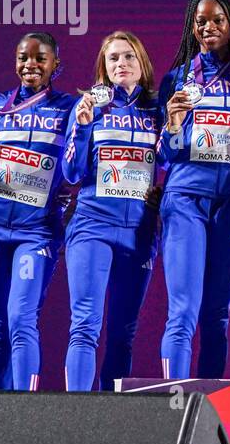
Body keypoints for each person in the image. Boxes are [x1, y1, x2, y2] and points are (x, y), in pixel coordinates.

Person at [0, 32, 78, 391]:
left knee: (21, 318)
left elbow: (82, 160)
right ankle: (0, 416)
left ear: (55, 65)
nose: (30, 65)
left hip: (37, 232)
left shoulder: (69, 108)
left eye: (40, 58)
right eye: (23, 58)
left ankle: (23, 416)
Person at [157, 0, 230, 379]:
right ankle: (172, 407)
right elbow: (166, 155)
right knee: (183, 311)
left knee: (217, 314)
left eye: (217, 20)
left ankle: (212, 409)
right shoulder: (176, 79)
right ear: (192, 28)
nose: (209, 27)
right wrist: (174, 124)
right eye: (201, 21)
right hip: (184, 198)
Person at [60, 32, 163, 391]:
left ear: (142, 64)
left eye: (129, 57)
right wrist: (83, 127)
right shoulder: (90, 105)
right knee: (85, 324)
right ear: (104, 67)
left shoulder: (157, 107)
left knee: (123, 333)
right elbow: (71, 173)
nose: (122, 64)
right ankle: (77, 423)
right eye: (114, 58)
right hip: (92, 226)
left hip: (139, 231)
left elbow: (173, 158)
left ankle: (110, 426)